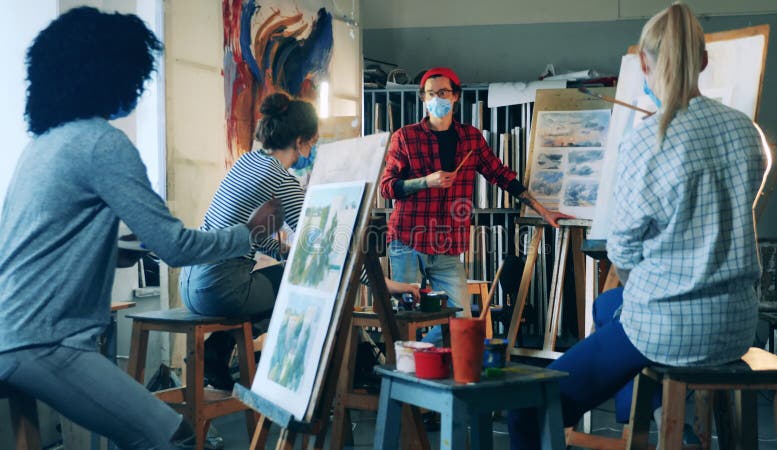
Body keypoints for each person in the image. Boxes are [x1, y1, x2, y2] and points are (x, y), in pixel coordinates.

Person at [0, 7, 285, 450]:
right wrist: (248, 232)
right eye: (139, 73)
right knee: (178, 437)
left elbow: (37, 247)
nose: (142, 84)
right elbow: (174, 246)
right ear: (112, 72)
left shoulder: (41, 147)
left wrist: (112, 251)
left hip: (12, 332)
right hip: (46, 341)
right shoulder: (103, 142)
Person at [507, 3, 769, 448]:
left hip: (671, 328)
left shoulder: (647, 139)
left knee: (527, 407)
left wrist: (647, 278)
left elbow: (624, 250)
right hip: (737, 322)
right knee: (610, 306)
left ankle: (647, 418)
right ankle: (644, 420)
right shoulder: (746, 131)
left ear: (645, 64)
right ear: (703, 61)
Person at [181, 92, 420, 388]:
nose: (315, 146)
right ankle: (359, 367)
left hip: (191, 284)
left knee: (287, 274)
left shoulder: (247, 161)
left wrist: (283, 250)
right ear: (300, 141)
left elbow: (249, 234)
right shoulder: (280, 179)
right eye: (314, 140)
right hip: (219, 289)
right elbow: (327, 253)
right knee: (315, 282)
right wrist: (385, 285)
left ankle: (219, 349)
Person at [379, 67, 570, 345]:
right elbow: (387, 186)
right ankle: (406, 372)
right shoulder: (405, 137)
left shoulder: (471, 138)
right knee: (407, 319)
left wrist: (543, 209)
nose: (437, 98)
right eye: (431, 94)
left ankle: (422, 358)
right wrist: (425, 182)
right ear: (423, 98)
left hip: (447, 245)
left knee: (462, 323)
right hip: (408, 239)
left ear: (455, 96)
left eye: (443, 92)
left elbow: (501, 175)